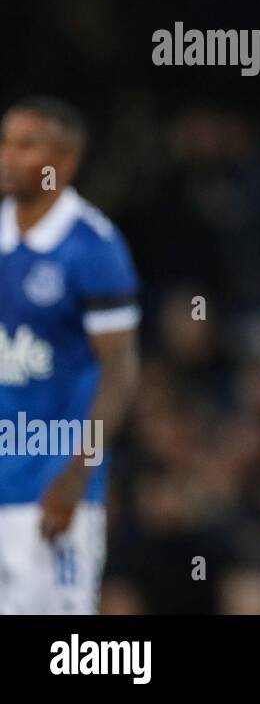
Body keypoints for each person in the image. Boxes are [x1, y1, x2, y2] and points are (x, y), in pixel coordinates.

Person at [0, 97, 141, 614]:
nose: (7, 157)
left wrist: (76, 479)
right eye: (5, 142)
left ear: (64, 164)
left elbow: (120, 374)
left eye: (25, 145)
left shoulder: (93, 248)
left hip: (50, 491)